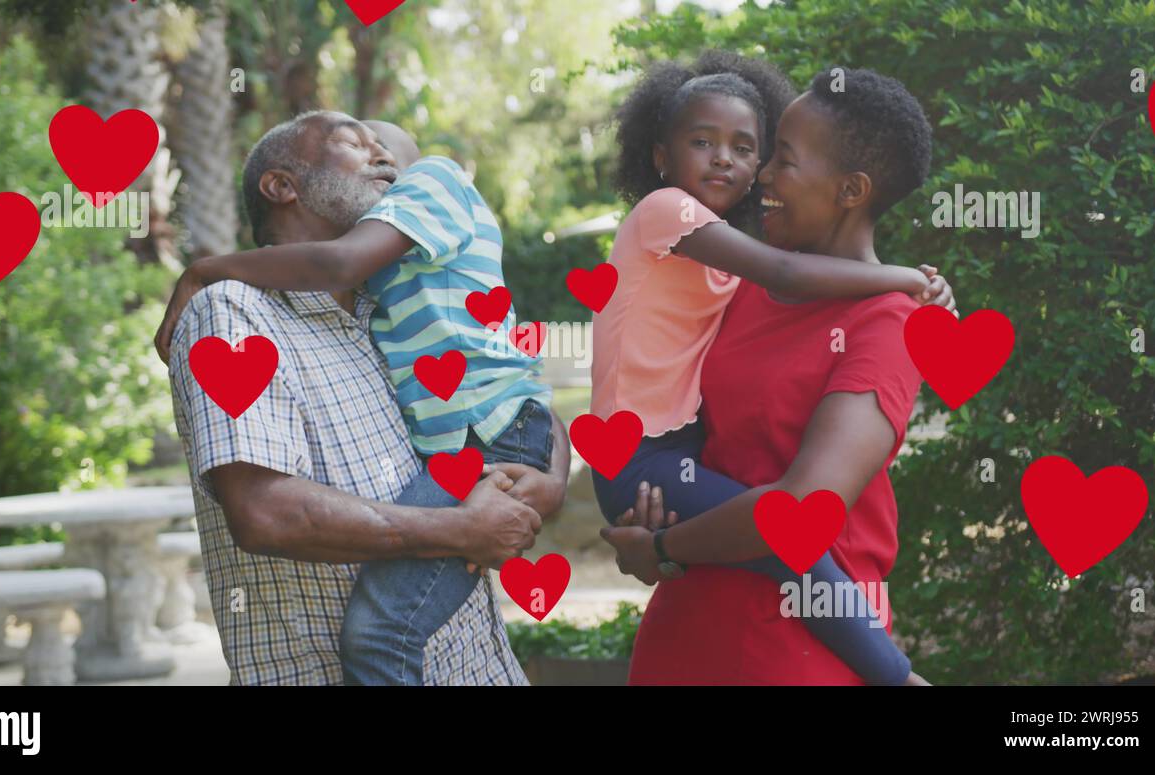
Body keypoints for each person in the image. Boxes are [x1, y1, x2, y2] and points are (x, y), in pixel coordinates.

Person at [158, 112, 565, 685]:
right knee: (379, 634)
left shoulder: (387, 309)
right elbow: (265, 514)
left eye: (385, 147)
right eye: (354, 142)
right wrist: (460, 531)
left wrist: (549, 478)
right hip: (324, 669)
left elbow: (514, 389)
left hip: (477, 670)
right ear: (282, 186)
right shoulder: (233, 312)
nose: (384, 158)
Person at [591, 52, 951, 684]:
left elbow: (800, 507)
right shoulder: (739, 286)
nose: (757, 176)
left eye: (778, 157)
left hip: (797, 655)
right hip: (685, 639)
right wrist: (651, 541)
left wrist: (664, 546)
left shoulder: (891, 322)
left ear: (850, 190)